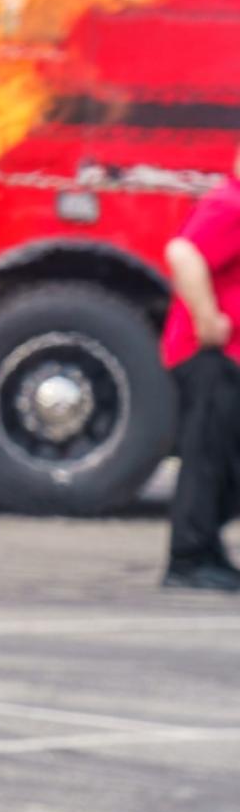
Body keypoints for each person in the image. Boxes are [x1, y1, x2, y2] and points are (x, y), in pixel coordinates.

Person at [159, 143, 240, 591]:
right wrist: (208, 320)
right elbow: (183, 253)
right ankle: (188, 560)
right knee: (207, 460)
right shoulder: (232, 203)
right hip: (209, 358)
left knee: (223, 462)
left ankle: (205, 551)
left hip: (224, 360)